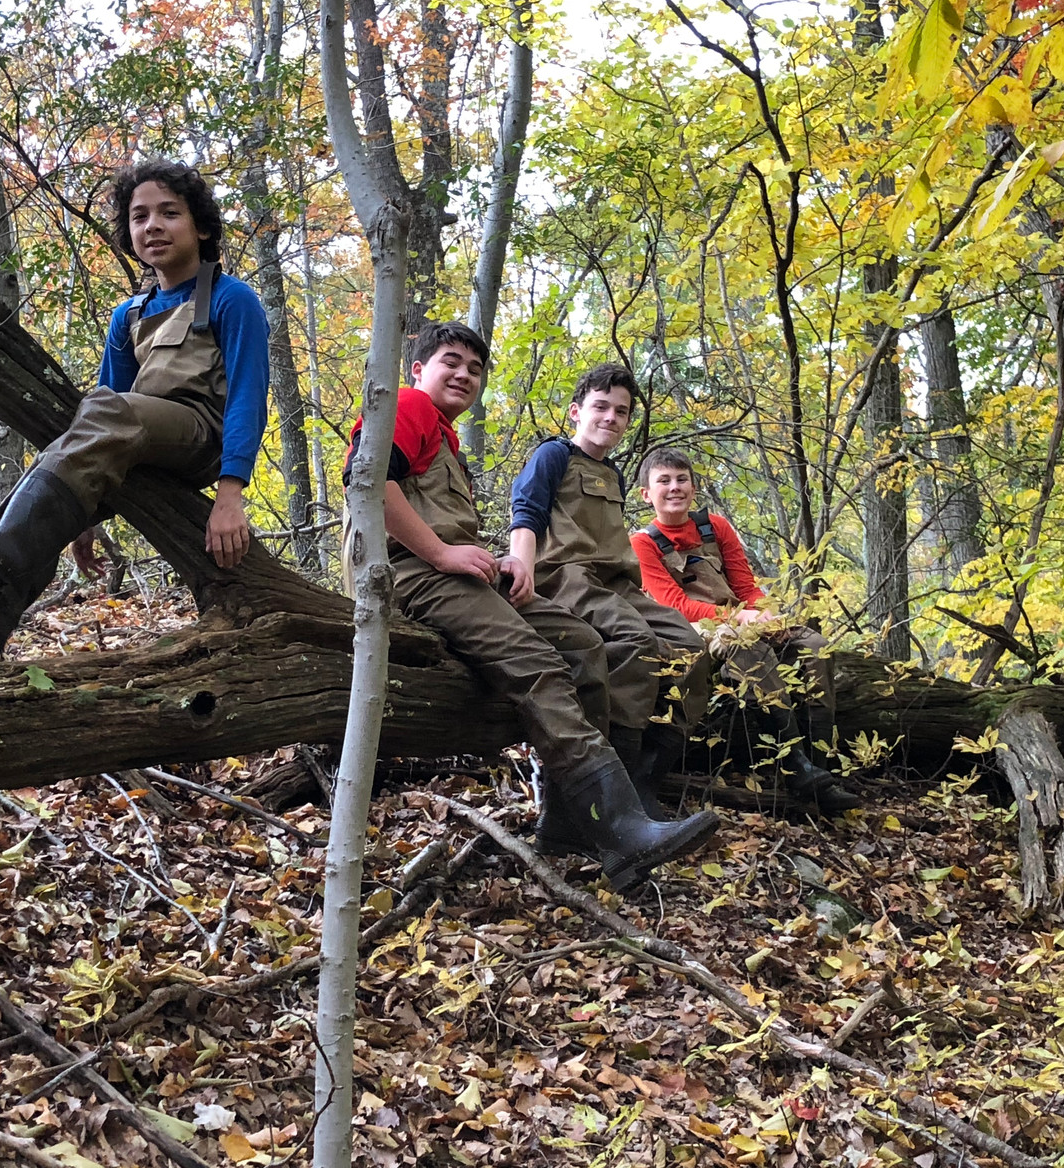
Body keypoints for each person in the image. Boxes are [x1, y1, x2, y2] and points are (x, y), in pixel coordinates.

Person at [344, 323, 717, 889]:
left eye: (474, 368)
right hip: (407, 572)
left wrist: (501, 562)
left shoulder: (446, 438)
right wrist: (443, 552)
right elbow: (365, 481)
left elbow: (434, 513)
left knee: (585, 644)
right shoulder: (411, 405)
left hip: (448, 568)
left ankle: (568, 822)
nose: (464, 375)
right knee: (540, 661)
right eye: (451, 362)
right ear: (418, 369)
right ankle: (619, 826)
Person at [0, 159, 268, 667]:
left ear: (202, 226)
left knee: (106, 412)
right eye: (139, 216)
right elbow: (96, 420)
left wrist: (230, 494)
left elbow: (247, 397)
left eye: (169, 213)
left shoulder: (232, 299)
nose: (152, 226)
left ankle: (7, 553)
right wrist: (82, 519)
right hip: (133, 437)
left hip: (199, 437)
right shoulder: (129, 314)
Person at [506, 364, 713, 825]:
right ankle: (615, 789)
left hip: (617, 583)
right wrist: (522, 573)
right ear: (577, 411)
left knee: (690, 648)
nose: (611, 418)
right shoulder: (552, 456)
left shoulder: (614, 475)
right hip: (565, 575)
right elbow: (527, 513)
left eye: (621, 412)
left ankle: (648, 775)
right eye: (601, 407)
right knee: (634, 643)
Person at [632, 446, 859, 814]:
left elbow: (745, 585)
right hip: (693, 631)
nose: (675, 488)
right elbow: (675, 605)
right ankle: (796, 766)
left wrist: (765, 615)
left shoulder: (715, 526)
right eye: (664, 481)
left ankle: (823, 765)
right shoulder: (642, 543)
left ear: (693, 486)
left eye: (682, 479)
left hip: (743, 619)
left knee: (816, 645)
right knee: (747, 645)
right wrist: (740, 620)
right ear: (647, 494)